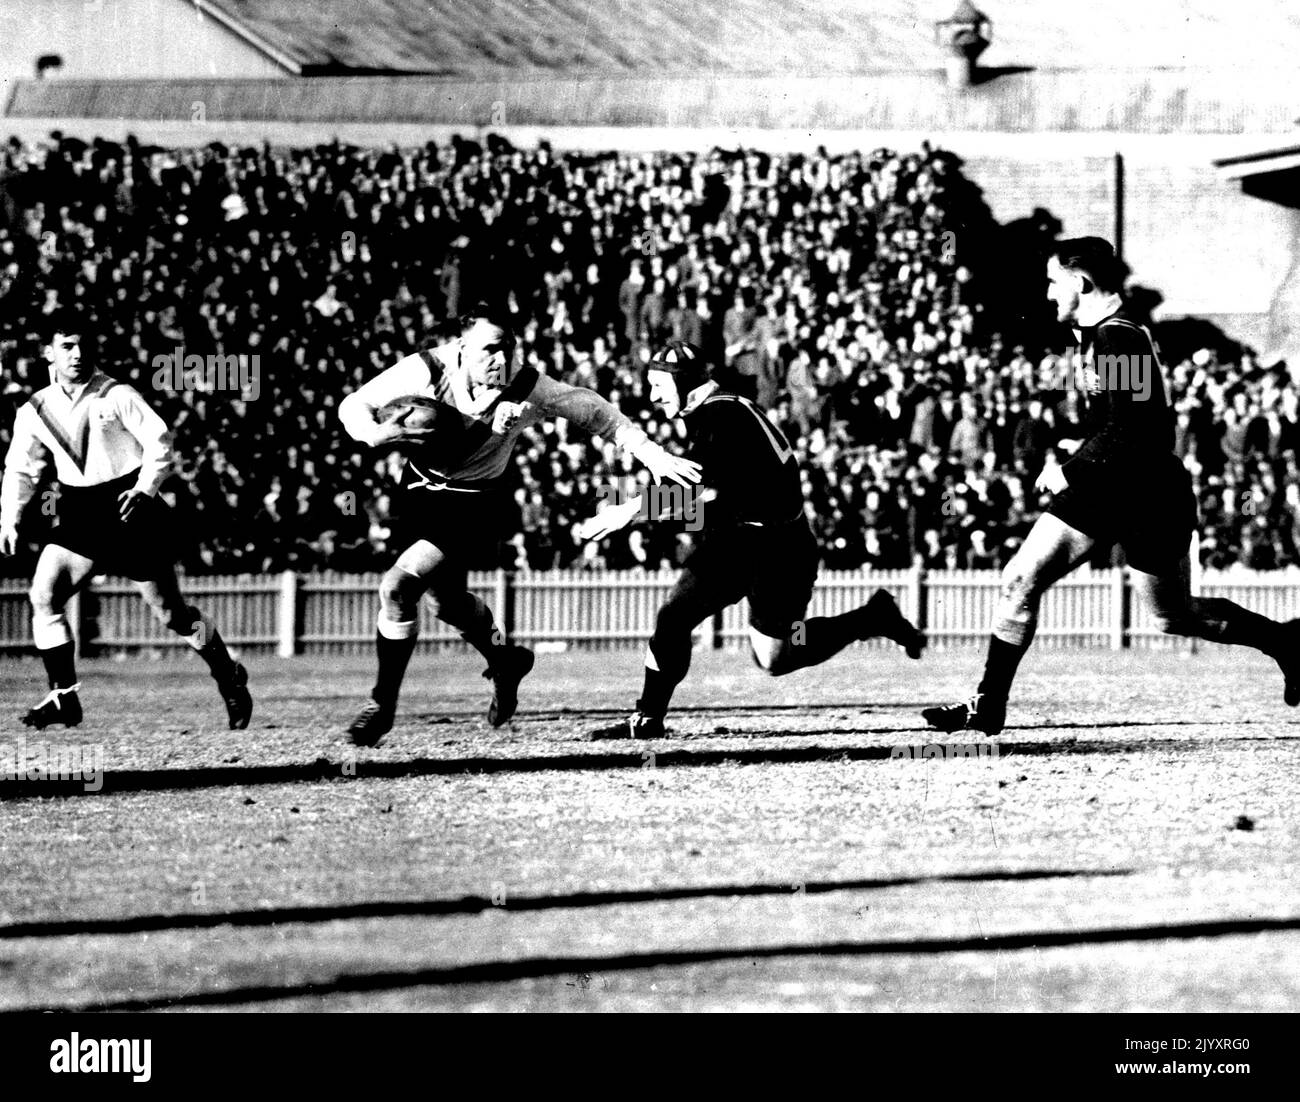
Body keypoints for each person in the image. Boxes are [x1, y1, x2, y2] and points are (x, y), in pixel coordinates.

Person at [923, 238, 1300, 736]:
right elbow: (1123, 422)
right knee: (1019, 579)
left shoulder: (1118, 338)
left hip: (1148, 492)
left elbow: (1136, 431)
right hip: (1107, 483)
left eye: (1054, 282)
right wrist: (1078, 447)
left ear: (1080, 283)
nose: (1049, 293)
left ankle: (1287, 644)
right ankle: (987, 705)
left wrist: (1069, 468)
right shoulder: (1099, 335)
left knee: (1175, 617)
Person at [337, 305, 700, 746]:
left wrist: (652, 454)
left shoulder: (525, 383)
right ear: (461, 348)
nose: (501, 359)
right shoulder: (426, 370)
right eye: (490, 349)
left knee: (397, 588)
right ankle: (504, 659)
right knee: (444, 603)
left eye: (508, 348)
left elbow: (594, 409)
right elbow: (354, 404)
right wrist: (370, 433)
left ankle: (382, 704)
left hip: (473, 502)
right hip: (418, 490)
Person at [577, 341, 925, 740]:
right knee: (674, 617)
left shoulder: (721, 413)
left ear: (686, 381)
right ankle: (648, 719)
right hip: (736, 537)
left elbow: (699, 493)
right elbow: (716, 492)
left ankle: (872, 617)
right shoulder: (717, 409)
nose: (652, 395)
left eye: (659, 385)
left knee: (777, 658)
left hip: (779, 548)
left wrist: (629, 510)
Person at [0, 312, 252, 730]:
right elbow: (20, 468)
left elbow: (160, 440)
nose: (77, 355)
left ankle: (227, 672)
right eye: (67, 347)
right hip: (79, 512)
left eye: (83, 346)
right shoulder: (34, 409)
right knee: (43, 596)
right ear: (49, 353)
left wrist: (147, 487)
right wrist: (10, 517)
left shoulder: (116, 394)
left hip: (128, 506)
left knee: (173, 615)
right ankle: (64, 696)